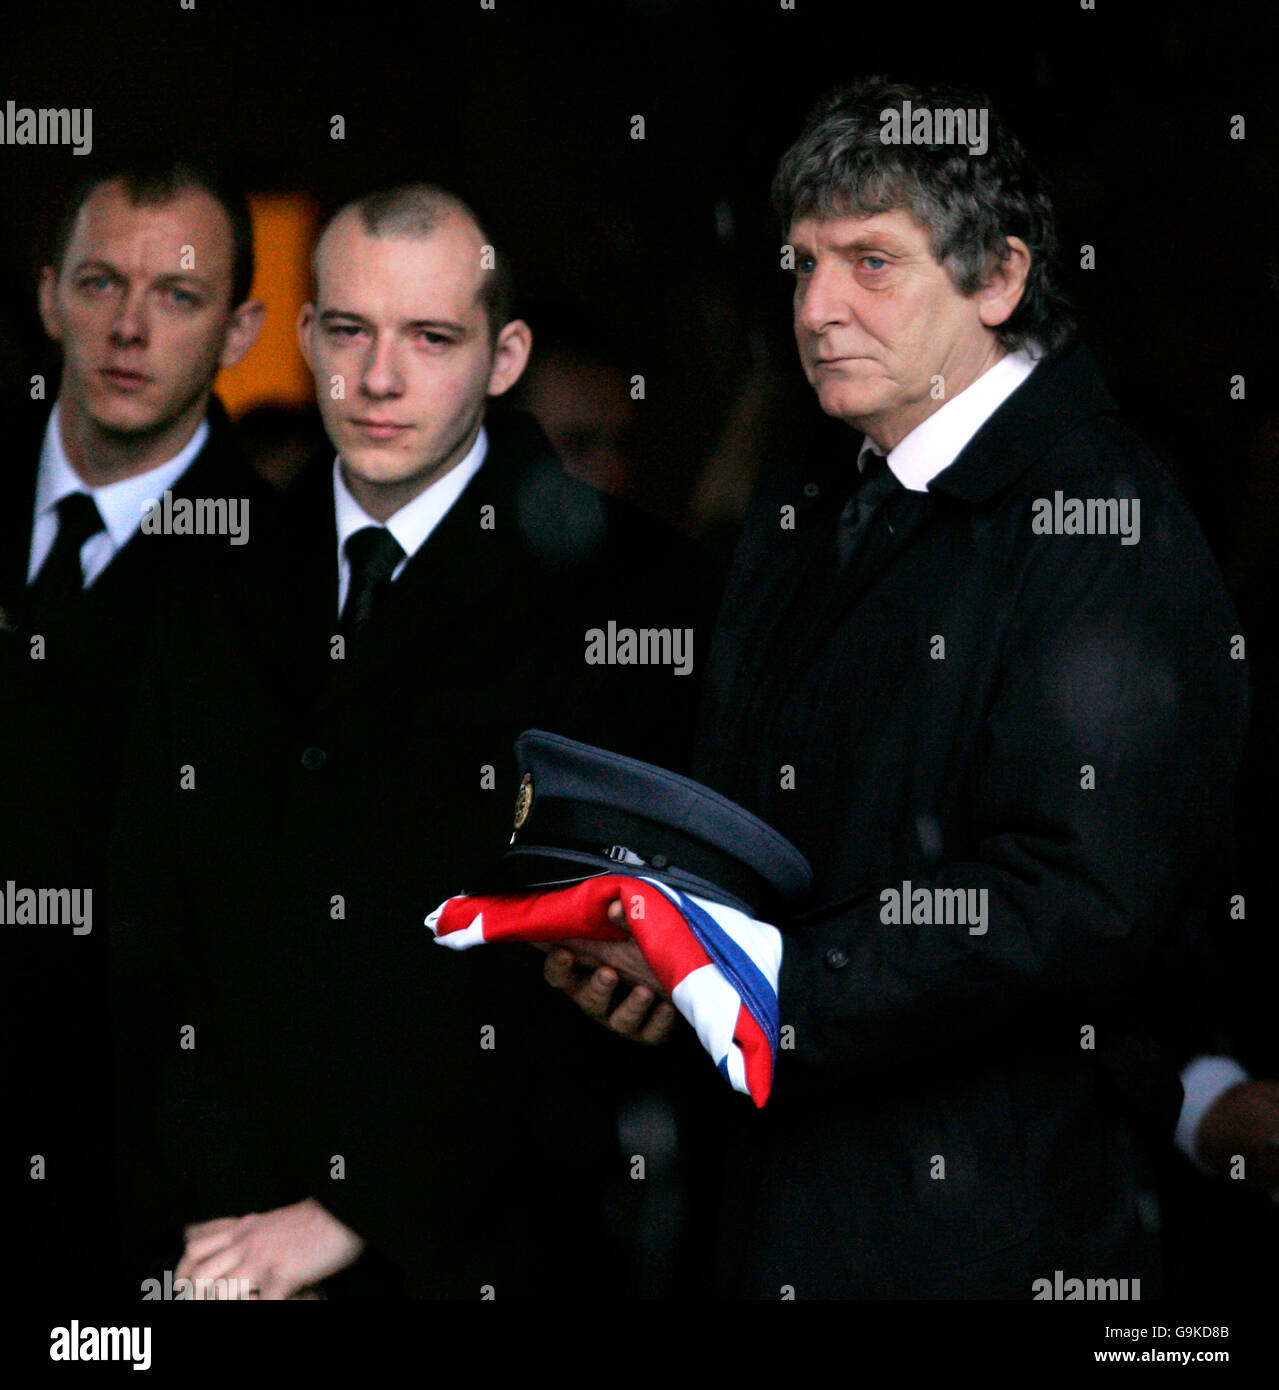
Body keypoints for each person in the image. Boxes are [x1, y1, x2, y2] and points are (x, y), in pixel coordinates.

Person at [546, 76, 1249, 1298]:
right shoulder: (807, 503)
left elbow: (1077, 893)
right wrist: (658, 942)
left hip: (990, 1236)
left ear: (996, 280)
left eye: (871, 262)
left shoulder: (1105, 519)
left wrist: (757, 981)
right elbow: (749, 820)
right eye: (803, 262)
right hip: (774, 1206)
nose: (817, 307)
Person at [110, 182, 709, 1298]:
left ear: (503, 353)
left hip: (500, 1259)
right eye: (349, 330)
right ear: (304, 337)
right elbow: (149, 921)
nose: (379, 379)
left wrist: (361, 1205)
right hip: (215, 1250)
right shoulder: (212, 582)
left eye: (431, 337)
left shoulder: (635, 595)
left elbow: (605, 977)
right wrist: (211, 1206)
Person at [0, 152, 268, 1296]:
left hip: (134, 1194)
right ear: (50, 292)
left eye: (179, 296)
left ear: (242, 328)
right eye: (102, 284)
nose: (129, 329)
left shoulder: (288, 579)